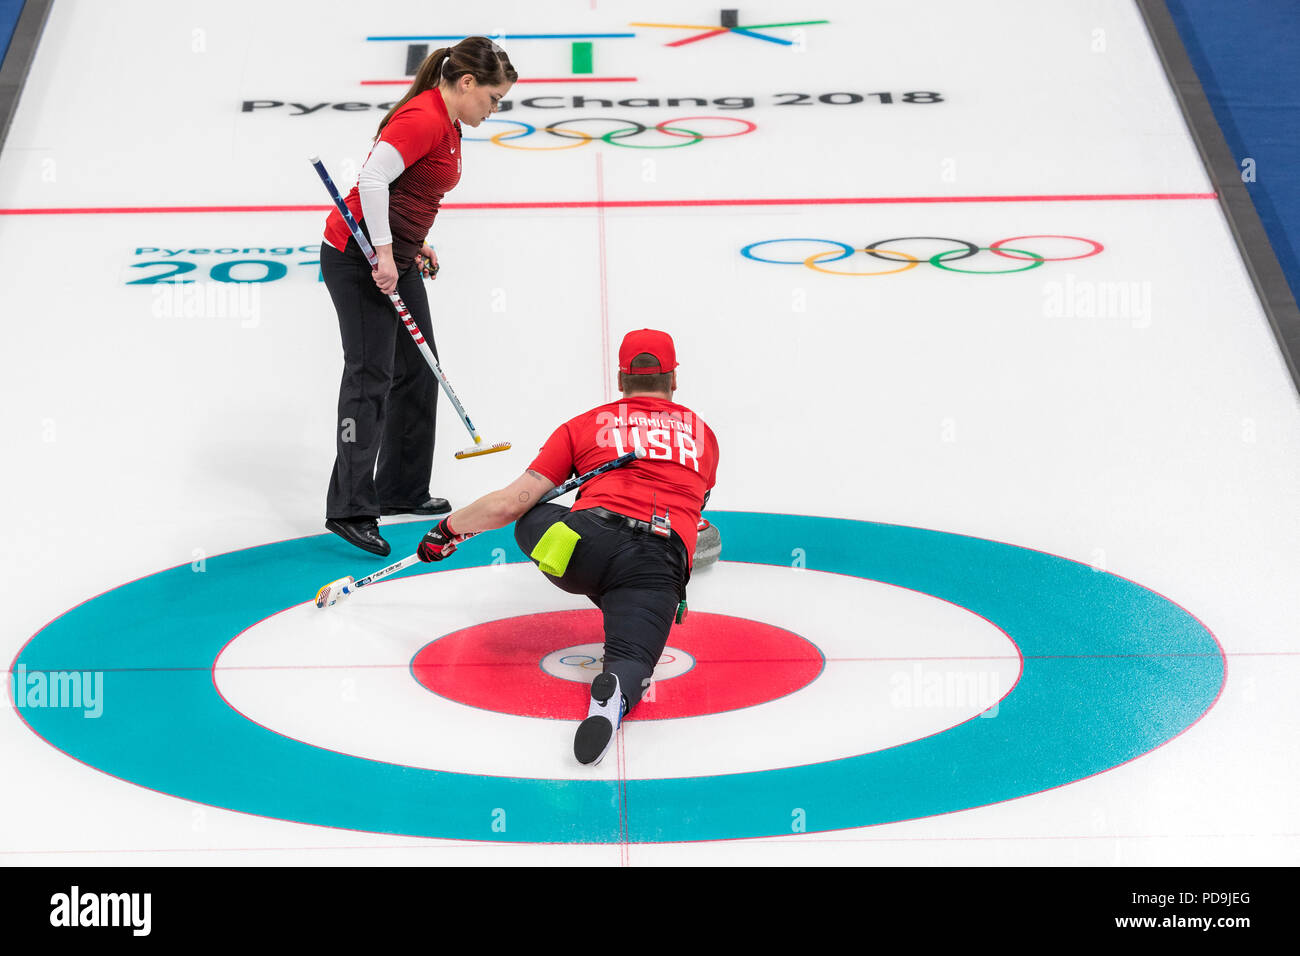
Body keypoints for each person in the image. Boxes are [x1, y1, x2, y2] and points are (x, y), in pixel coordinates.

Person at [416, 329, 720, 765]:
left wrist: (448, 531)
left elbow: (509, 503)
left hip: (582, 548)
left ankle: (587, 572)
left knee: (533, 513)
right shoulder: (703, 436)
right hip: (657, 559)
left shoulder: (583, 426)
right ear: (674, 379)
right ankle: (612, 694)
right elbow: (698, 508)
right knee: (634, 658)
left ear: (620, 378)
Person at [320, 37, 517, 557]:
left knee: (418, 367)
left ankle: (401, 488)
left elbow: (409, 187)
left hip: (395, 254)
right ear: (467, 83)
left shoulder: (449, 121)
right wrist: (385, 252)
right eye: (493, 99)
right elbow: (371, 177)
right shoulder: (424, 116)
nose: (493, 110)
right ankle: (350, 508)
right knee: (370, 377)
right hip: (359, 255)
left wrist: (413, 244)